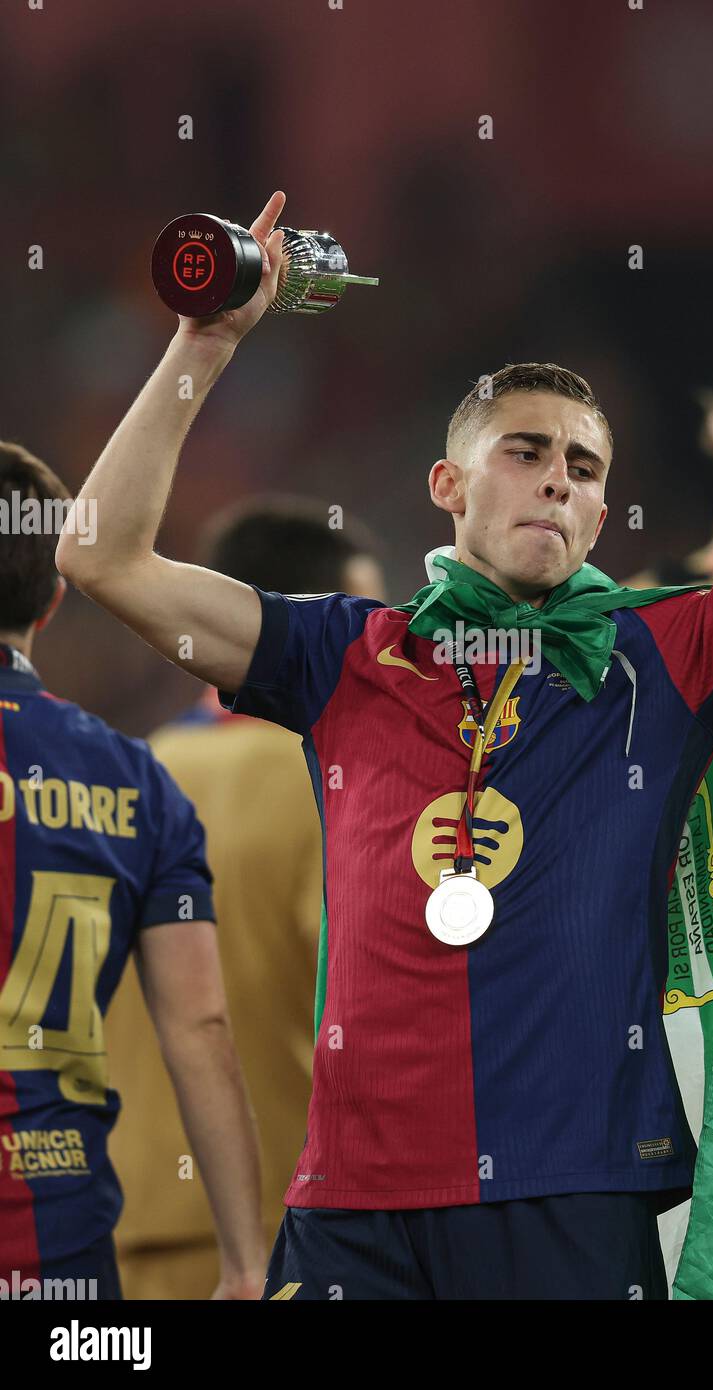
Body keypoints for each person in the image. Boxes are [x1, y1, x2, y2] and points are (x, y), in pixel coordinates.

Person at [57, 126, 713, 1300]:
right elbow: (102, 555)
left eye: (583, 464)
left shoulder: (661, 651)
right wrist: (201, 346)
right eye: (525, 452)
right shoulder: (341, 651)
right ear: (449, 485)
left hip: (568, 1188)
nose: (559, 477)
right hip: (351, 1198)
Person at [0, 442, 265, 1300]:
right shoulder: (138, 778)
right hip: (67, 1248)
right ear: (55, 595)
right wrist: (243, 1262)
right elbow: (199, 1029)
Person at [106, 498, 386, 1299]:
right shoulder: (335, 785)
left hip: (113, 1215)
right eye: (360, 623)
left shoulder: (121, 773)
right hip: (276, 1232)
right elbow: (373, 1013)